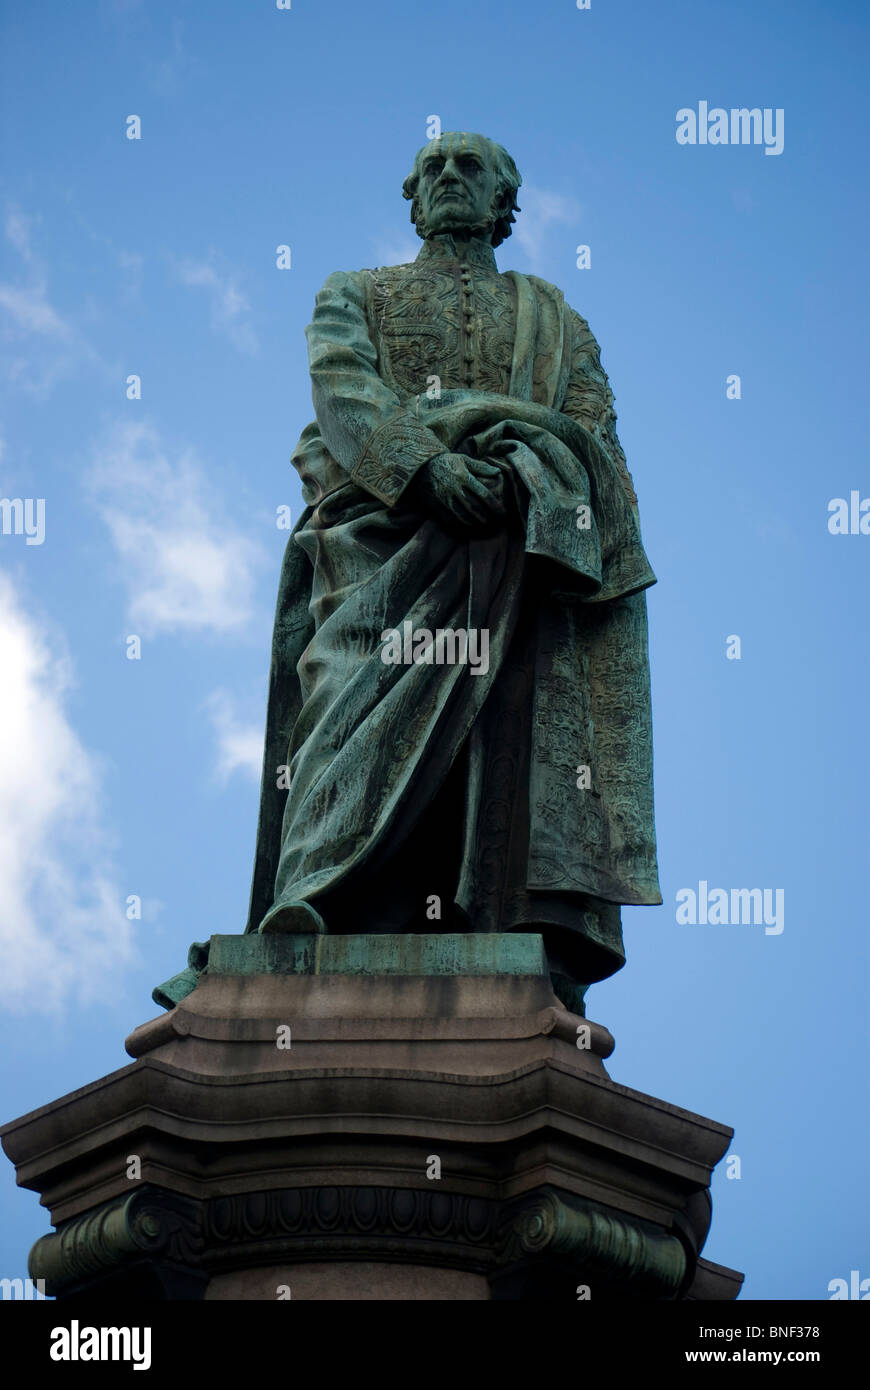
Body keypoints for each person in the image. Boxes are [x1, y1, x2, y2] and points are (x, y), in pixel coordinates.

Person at [246, 132, 661, 1015]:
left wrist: (522, 473)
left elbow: (592, 427)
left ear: (504, 203)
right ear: (410, 199)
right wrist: (428, 471)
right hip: (381, 536)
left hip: (515, 543)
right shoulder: (355, 293)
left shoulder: (556, 320)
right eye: (431, 170)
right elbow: (344, 389)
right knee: (347, 700)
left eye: (469, 169)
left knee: (500, 739)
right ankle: (321, 898)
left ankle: (500, 925)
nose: (447, 180)